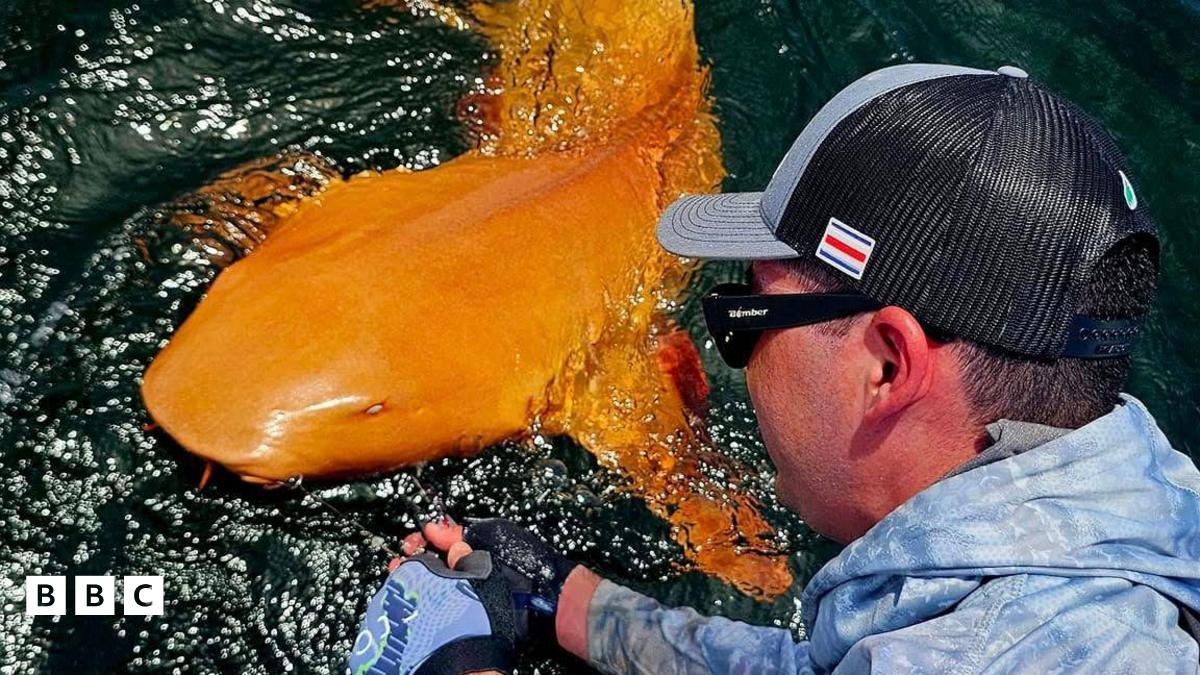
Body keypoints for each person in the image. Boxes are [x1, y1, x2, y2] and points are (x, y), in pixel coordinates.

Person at [348, 64, 1200, 674]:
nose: (732, 364)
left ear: (887, 362)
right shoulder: (1141, 519)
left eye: (743, 317)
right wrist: (562, 598)